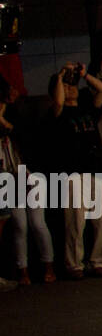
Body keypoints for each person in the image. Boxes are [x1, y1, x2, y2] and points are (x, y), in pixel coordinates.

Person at [49, 62, 102, 278]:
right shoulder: (57, 113)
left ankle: (98, 261)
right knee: (75, 221)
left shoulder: (87, 110)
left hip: (96, 169)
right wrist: (60, 76)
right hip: (72, 171)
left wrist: (85, 75)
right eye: (67, 86)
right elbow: (58, 101)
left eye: (72, 84)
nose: (71, 88)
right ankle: (73, 263)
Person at [0, 74, 55, 284]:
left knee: (37, 223)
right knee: (20, 226)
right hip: (9, 176)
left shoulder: (20, 113)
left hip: (30, 174)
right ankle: (23, 271)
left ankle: (47, 266)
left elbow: (23, 136)